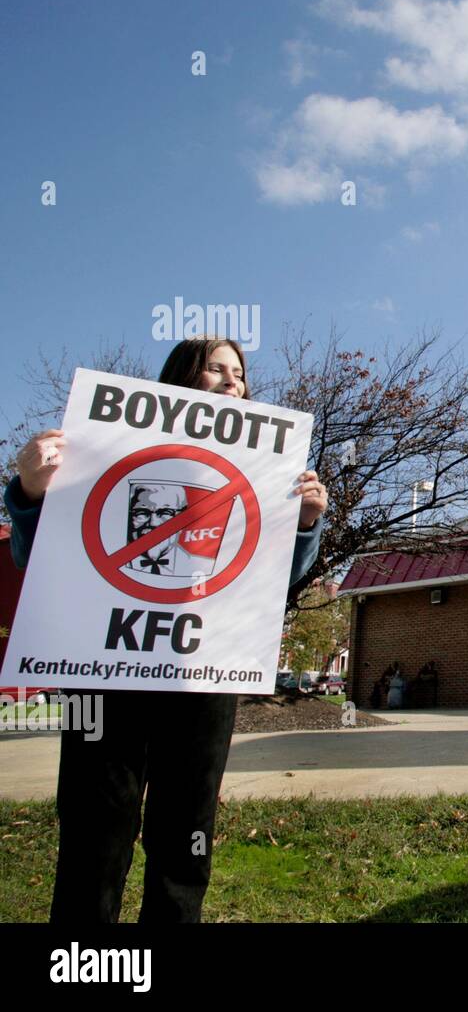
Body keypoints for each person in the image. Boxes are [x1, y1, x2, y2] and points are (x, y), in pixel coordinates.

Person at [3, 337, 328, 923]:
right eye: (216, 369)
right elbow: (38, 558)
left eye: (240, 372)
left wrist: (303, 525)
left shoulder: (262, 470)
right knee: (95, 829)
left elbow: (272, 580)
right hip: (104, 670)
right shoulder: (104, 451)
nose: (233, 381)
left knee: (185, 834)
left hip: (204, 674)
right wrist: (28, 492)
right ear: (182, 379)